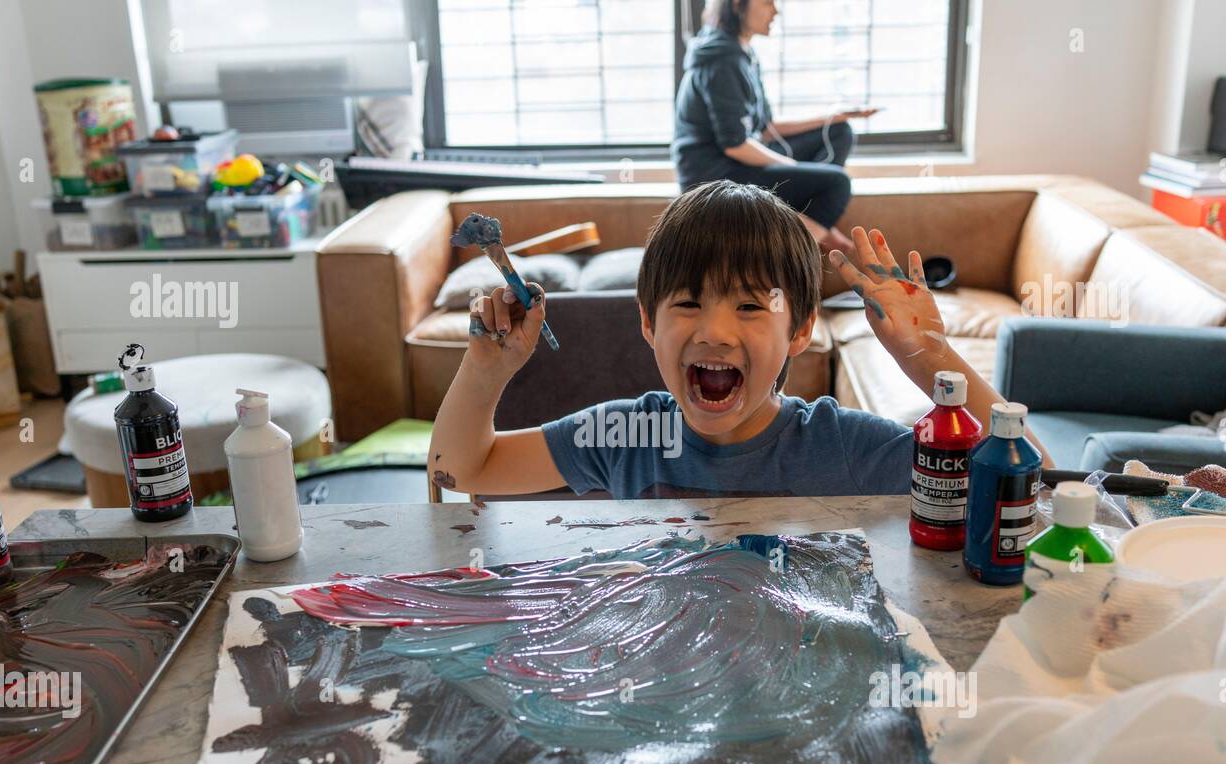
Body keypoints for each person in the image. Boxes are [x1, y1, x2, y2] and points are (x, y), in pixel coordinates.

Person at [427, 181, 1051, 500]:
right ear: (648, 322)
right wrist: (486, 368)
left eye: (751, 305)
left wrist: (930, 357)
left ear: (801, 329)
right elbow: (460, 472)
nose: (715, 331)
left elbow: (1034, 487)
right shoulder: (626, 439)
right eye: (689, 302)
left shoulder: (841, 447)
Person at [672, 0, 878, 255]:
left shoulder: (743, 53)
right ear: (738, 5)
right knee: (837, 184)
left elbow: (766, 128)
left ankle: (804, 223)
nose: (775, 11)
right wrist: (791, 166)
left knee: (839, 132)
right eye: (768, 2)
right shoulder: (723, 60)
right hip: (715, 174)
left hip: (740, 159)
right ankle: (787, 253)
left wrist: (832, 117)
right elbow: (735, 145)